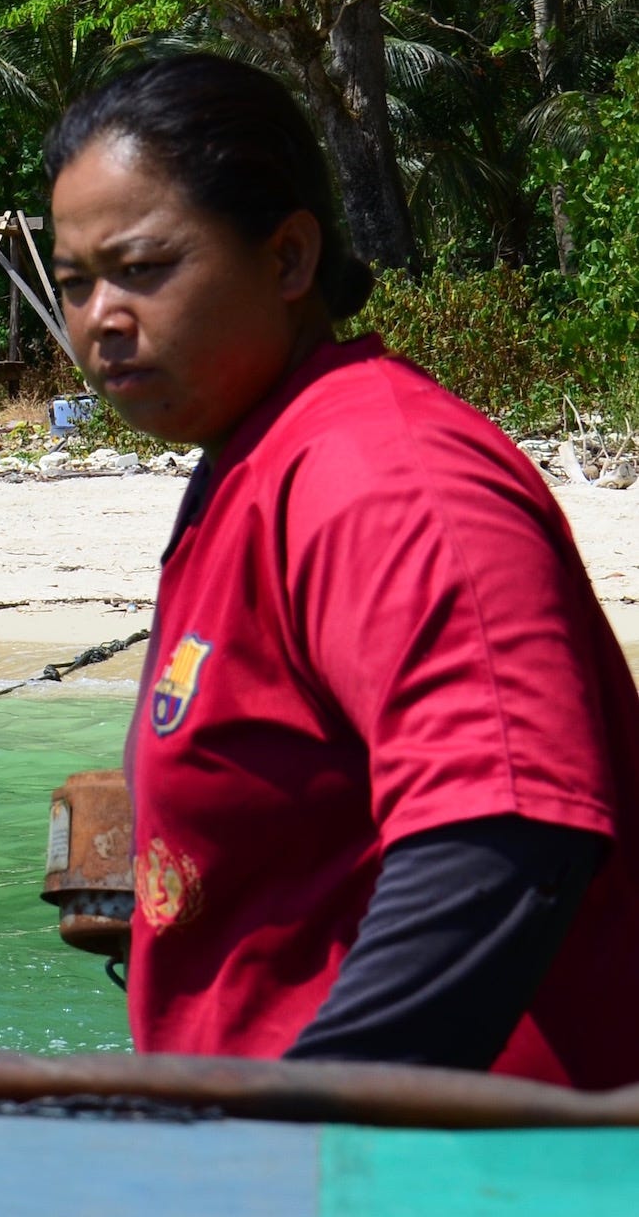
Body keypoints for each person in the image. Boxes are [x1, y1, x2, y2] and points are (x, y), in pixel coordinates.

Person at [45, 54, 639, 1086]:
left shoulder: (380, 476)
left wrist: (299, 1135)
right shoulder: (255, 461)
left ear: (286, 258)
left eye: (142, 268)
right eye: (74, 280)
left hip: (468, 1206)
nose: (100, 317)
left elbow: (503, 837)